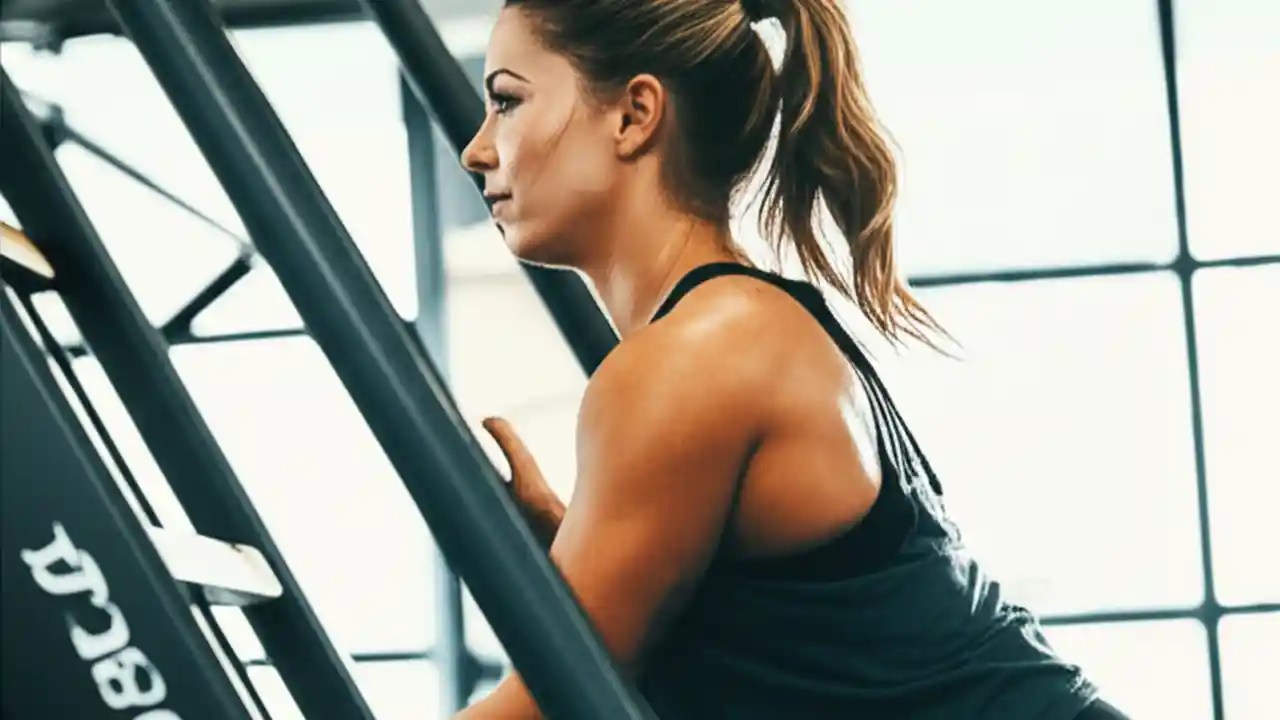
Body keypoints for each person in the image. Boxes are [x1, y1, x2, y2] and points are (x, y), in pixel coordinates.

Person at [456, 1, 1126, 718]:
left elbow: (554, 706)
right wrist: (576, 538)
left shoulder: (694, 359)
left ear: (633, 114)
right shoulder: (736, 328)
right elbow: (800, 632)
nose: (477, 149)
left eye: (507, 101)